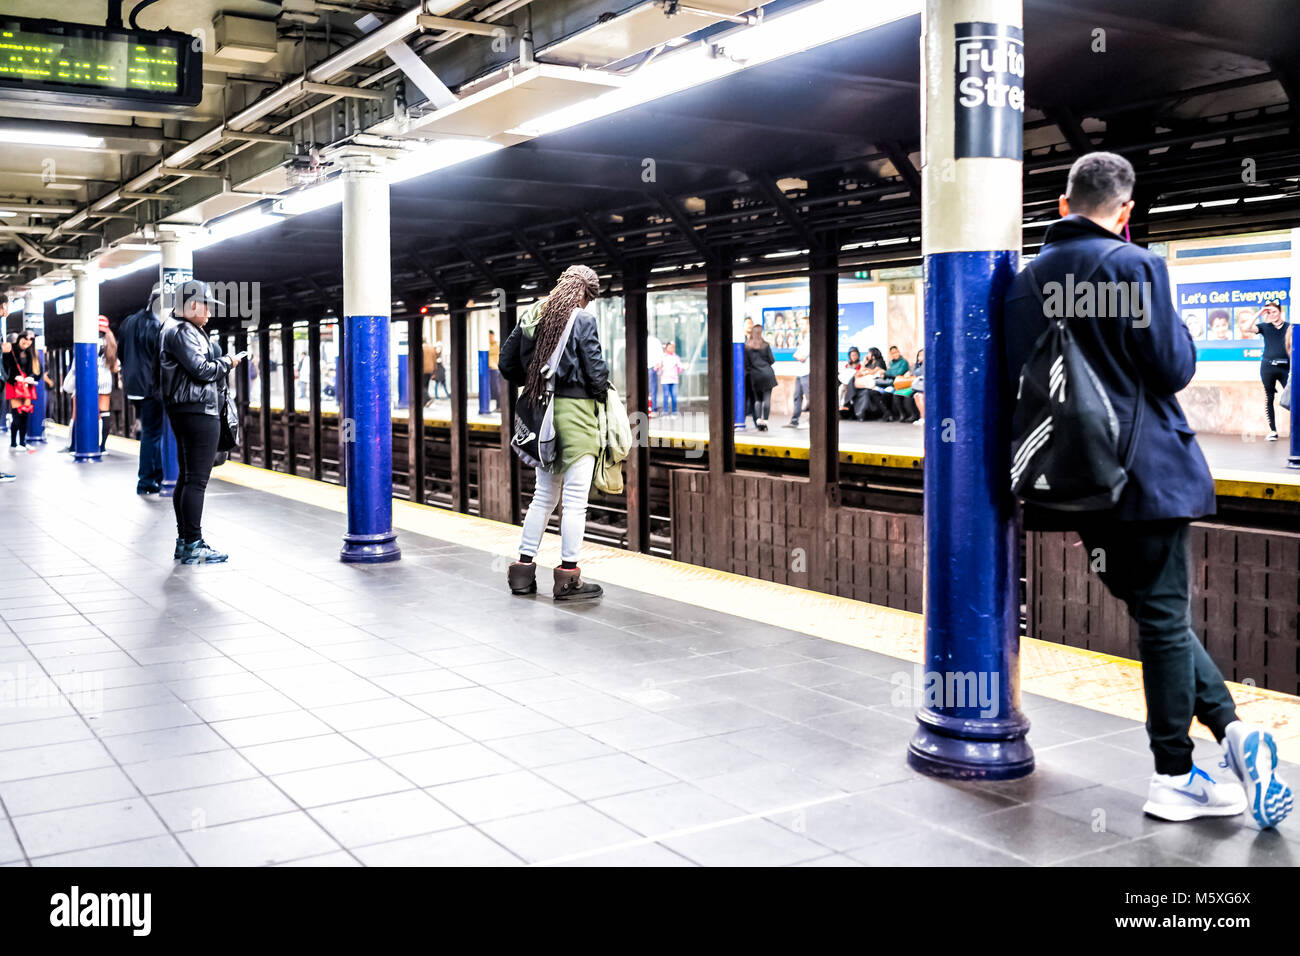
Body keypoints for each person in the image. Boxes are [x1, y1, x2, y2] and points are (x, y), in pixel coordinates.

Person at [1004, 151, 1292, 828]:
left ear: (1061, 204)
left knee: (1157, 616)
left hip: (1073, 478)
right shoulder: (1136, 267)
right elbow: (1172, 368)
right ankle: (1174, 774)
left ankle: (1232, 734)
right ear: (1125, 212)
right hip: (1147, 473)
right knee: (1164, 618)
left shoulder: (1023, 283)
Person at [499, 264, 608, 602]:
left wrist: (536, 380)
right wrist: (602, 392)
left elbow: (506, 364)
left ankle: (522, 572)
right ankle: (567, 580)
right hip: (576, 417)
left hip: (543, 416)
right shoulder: (583, 320)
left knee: (543, 497)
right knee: (575, 503)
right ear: (585, 294)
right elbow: (596, 374)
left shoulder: (533, 313)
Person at [159, 281, 241, 565]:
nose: (209, 312)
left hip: (187, 409)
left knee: (187, 477)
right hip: (197, 409)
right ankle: (193, 543)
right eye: (207, 306)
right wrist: (228, 362)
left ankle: (186, 541)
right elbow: (202, 370)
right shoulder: (183, 332)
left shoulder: (178, 329)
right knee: (197, 480)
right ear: (193, 305)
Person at [118, 284, 165, 494]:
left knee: (150, 431)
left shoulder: (129, 322)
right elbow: (162, 358)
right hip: (151, 387)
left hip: (133, 385)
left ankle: (154, 475)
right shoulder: (158, 327)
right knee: (153, 433)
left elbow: (121, 352)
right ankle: (147, 480)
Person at [1255, 299, 1290, 441]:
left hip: (1285, 367)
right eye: (1269, 312)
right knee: (1269, 398)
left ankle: (1296, 428)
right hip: (1267, 367)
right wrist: (1259, 313)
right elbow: (1245, 328)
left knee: (1293, 397)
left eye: (1274, 311)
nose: (1272, 315)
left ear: (1280, 312)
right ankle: (1273, 431)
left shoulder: (1290, 327)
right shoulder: (1264, 327)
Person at [4, 329, 39, 450]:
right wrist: (14, 377)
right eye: (25, 340)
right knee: (17, 414)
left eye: (30, 342)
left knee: (25, 413)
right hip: (14, 385)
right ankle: (14, 442)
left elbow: (34, 370)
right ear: (20, 338)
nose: (27, 343)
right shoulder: (10, 349)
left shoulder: (30, 353)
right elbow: (5, 366)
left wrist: (31, 377)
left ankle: (22, 442)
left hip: (26, 385)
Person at [744, 324, 776, 431]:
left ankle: (758, 421)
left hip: (755, 375)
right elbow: (772, 360)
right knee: (767, 399)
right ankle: (765, 421)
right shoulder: (765, 345)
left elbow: (746, 364)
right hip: (767, 374)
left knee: (757, 400)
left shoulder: (747, 347)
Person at [96, 316, 119, 453]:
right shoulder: (110, 341)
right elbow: (116, 367)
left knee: (93, 413)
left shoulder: (94, 340)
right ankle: (102, 446)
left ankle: (93, 442)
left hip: (93, 380)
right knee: (105, 413)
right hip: (106, 380)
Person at [874, 345, 911, 422]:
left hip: (897, 384)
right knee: (873, 392)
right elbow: (889, 372)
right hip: (888, 383)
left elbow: (898, 373)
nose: (895, 354)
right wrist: (888, 373)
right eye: (892, 353)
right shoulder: (891, 363)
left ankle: (894, 414)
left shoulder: (903, 362)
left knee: (886, 394)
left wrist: (887, 373)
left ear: (899, 352)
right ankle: (887, 413)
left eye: (896, 352)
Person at [785, 340, 810, 428]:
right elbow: (795, 355)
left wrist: (797, 355)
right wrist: (797, 355)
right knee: (797, 396)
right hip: (800, 374)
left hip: (807, 374)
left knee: (809, 398)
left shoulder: (810, 341)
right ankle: (794, 421)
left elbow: (801, 357)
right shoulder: (803, 343)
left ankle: (811, 421)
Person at [656, 341, 685, 415]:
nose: (671, 349)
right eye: (669, 347)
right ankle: (665, 411)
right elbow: (658, 367)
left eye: (672, 347)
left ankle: (674, 411)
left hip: (674, 380)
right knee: (665, 396)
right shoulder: (662, 357)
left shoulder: (676, 357)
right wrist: (658, 367)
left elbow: (680, 367)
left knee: (674, 397)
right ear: (666, 348)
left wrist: (682, 368)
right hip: (665, 380)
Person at [422, 339, 437, 406]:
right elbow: (434, 359)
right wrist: (434, 370)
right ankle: (424, 402)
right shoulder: (431, 347)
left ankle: (428, 398)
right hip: (430, 369)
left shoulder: (421, 347)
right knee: (426, 385)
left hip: (423, 369)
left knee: (422, 386)